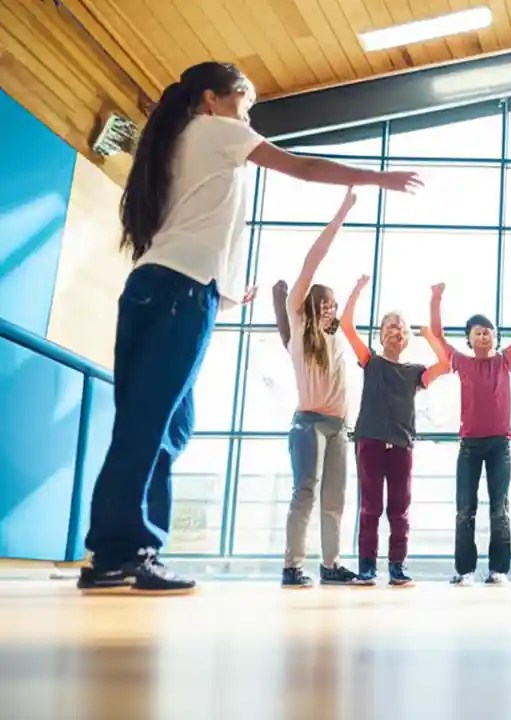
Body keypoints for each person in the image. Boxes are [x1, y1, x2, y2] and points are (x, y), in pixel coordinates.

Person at [79, 61, 421, 594]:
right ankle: (124, 551)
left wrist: (226, 297)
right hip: (180, 293)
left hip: (160, 288)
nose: (249, 117)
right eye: (246, 104)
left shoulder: (173, 141)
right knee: (155, 426)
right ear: (213, 99)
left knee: (162, 424)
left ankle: (117, 553)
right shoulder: (216, 129)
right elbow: (301, 168)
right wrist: (376, 177)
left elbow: (190, 227)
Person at [279, 190, 367, 588]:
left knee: (335, 500)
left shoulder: (335, 340)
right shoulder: (300, 325)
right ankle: (292, 566)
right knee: (305, 494)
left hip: (338, 428)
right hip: (309, 423)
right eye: (327, 303)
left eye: (335, 304)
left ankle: (331, 565)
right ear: (314, 304)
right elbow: (314, 258)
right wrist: (342, 213)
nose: (332, 309)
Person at [341, 275, 451, 587]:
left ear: (405, 338)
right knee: (370, 506)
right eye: (390, 326)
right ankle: (367, 568)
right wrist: (358, 290)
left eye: (400, 328)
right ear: (380, 335)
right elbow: (347, 326)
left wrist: (430, 336)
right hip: (370, 440)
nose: (396, 331)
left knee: (399, 510)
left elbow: (444, 365)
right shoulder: (370, 362)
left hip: (401, 444)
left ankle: (397, 568)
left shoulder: (414, 372)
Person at [430, 280, 511, 586]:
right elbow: (436, 335)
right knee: (465, 509)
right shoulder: (460, 362)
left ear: (494, 336)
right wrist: (436, 298)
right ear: (469, 339)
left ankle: (498, 569)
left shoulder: (505, 361)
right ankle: (465, 570)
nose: (483, 334)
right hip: (470, 447)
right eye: (477, 331)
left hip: (500, 446)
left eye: (487, 330)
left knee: (499, 509)